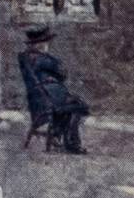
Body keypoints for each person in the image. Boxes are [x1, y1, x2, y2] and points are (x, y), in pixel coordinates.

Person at [18, 26, 90, 154]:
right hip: (48, 100)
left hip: (40, 100)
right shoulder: (42, 59)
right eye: (45, 42)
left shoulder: (27, 58)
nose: (47, 45)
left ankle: (59, 133)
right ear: (38, 45)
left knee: (73, 106)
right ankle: (70, 142)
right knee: (79, 106)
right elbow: (62, 73)